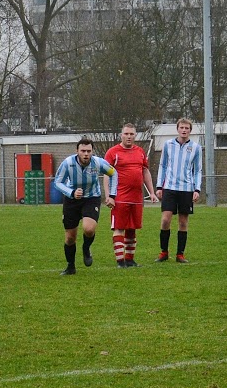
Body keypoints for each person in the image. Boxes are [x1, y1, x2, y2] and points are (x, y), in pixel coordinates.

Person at [54, 136, 117, 275]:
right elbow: (58, 182)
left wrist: (112, 196)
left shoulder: (98, 163)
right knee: (70, 237)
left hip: (91, 198)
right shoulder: (68, 163)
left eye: (89, 151)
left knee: (89, 229)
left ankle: (86, 248)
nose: (86, 154)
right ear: (77, 151)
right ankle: (71, 267)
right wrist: (71, 192)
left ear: (92, 151)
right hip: (72, 200)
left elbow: (114, 173)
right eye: (83, 151)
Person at [103, 122, 157, 267]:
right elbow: (106, 175)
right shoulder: (113, 152)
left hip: (136, 197)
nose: (129, 136)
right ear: (121, 135)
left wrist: (151, 192)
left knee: (132, 228)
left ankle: (130, 259)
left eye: (131, 134)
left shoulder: (140, 152)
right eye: (126, 134)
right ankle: (120, 262)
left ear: (135, 135)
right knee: (119, 228)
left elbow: (145, 171)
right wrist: (108, 196)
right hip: (119, 197)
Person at [154, 117, 202, 263]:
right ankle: (164, 252)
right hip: (169, 188)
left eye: (187, 128)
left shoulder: (196, 148)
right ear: (177, 129)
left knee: (183, 222)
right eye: (182, 127)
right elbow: (162, 165)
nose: (184, 130)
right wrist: (159, 186)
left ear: (190, 131)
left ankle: (180, 254)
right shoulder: (168, 145)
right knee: (165, 219)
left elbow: (197, 170)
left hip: (186, 189)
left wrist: (197, 189)